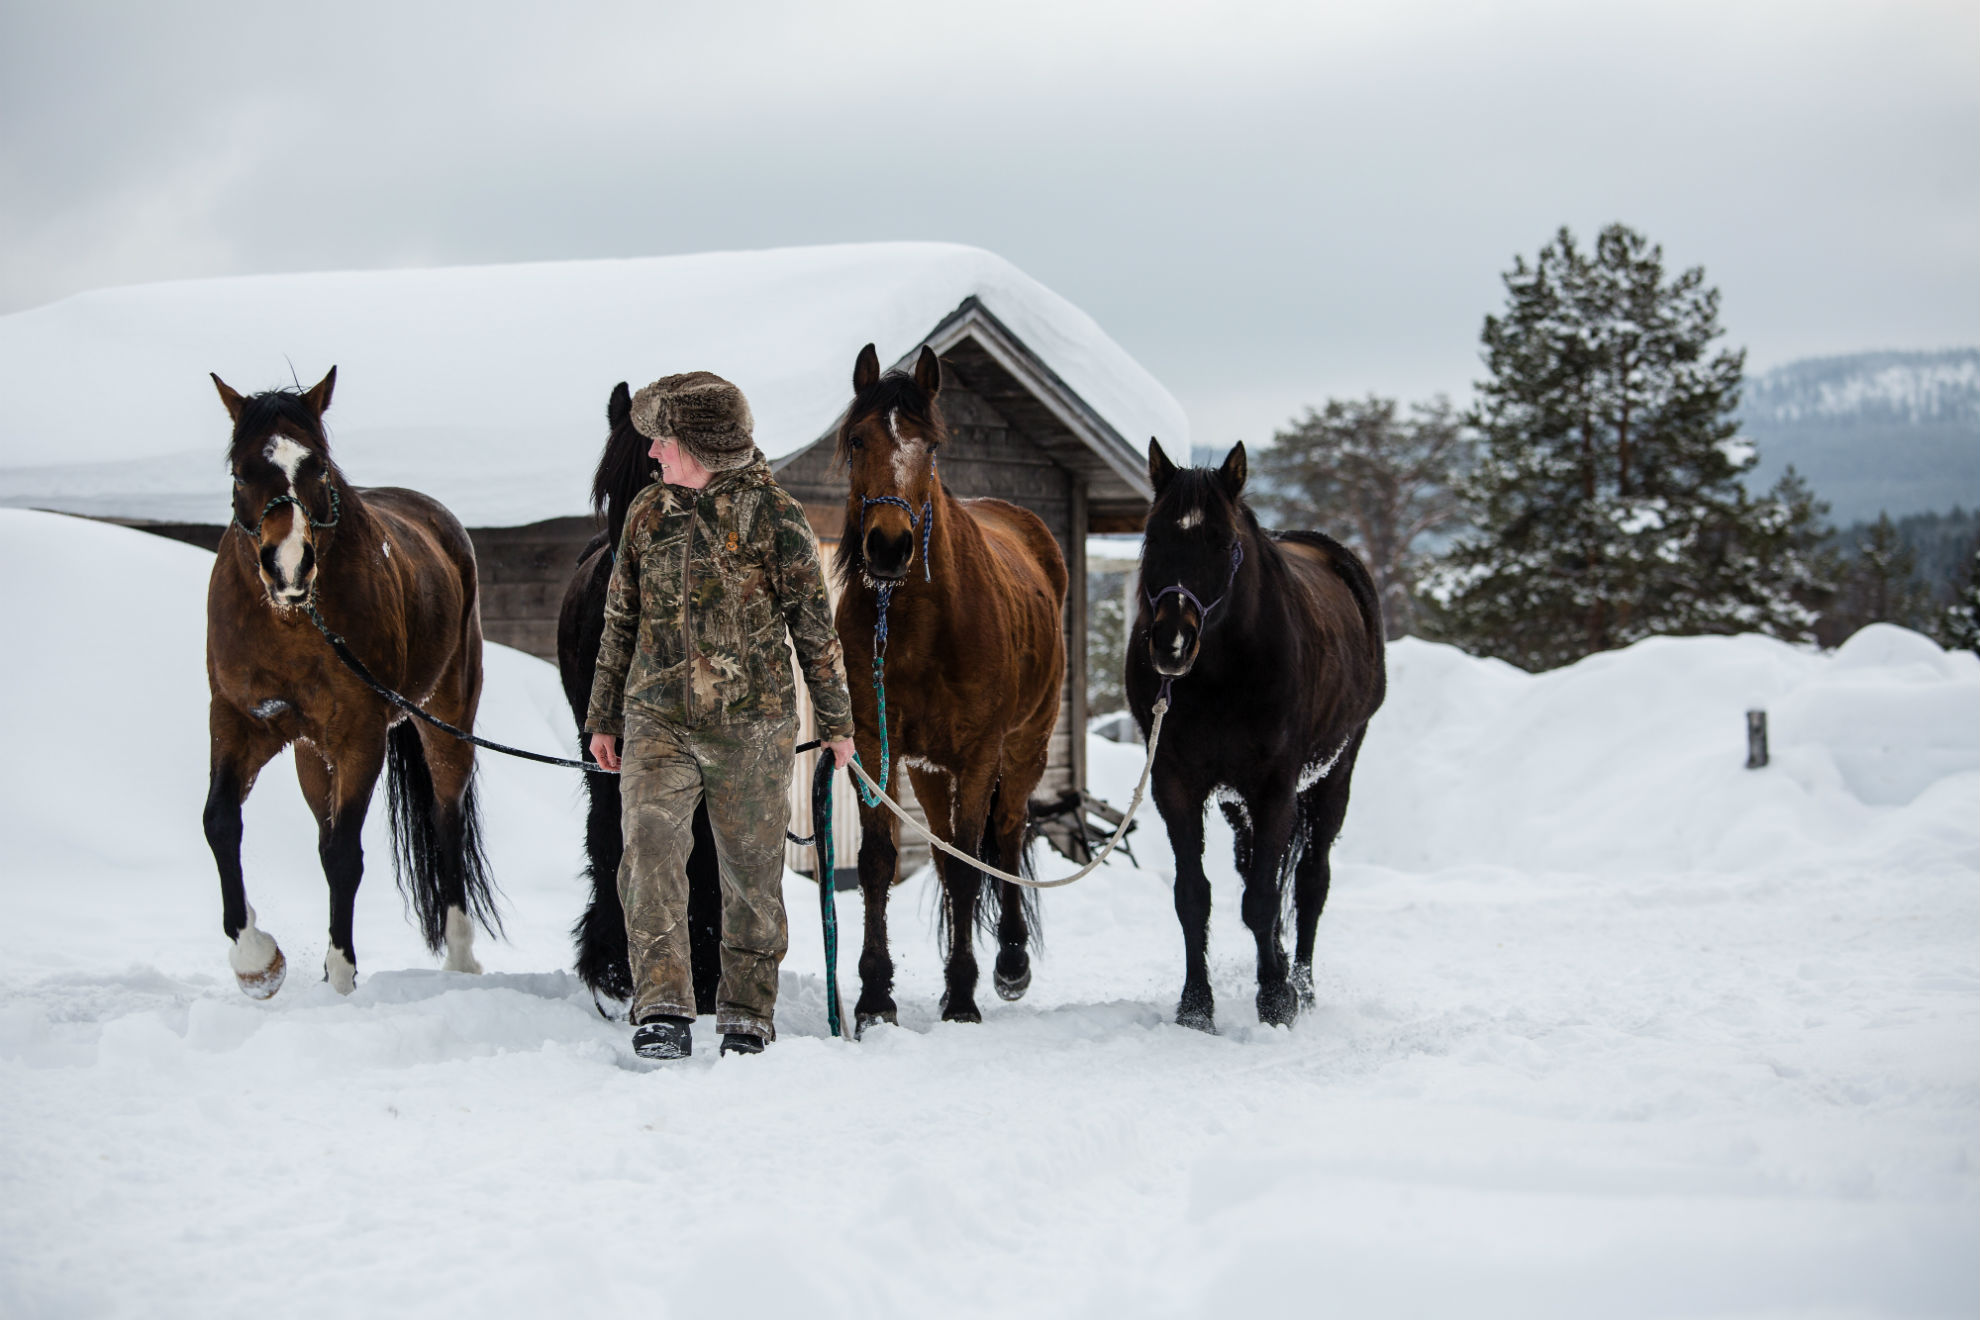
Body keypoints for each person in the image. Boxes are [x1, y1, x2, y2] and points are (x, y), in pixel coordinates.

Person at [585, 371, 855, 1060]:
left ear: (701, 445)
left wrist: (837, 723)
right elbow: (620, 623)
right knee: (645, 857)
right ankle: (664, 1005)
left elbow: (815, 631)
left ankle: (746, 1011)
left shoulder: (778, 520)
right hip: (657, 722)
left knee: (751, 874)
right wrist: (604, 717)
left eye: (663, 441)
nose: (653, 454)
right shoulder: (648, 513)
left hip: (752, 726)